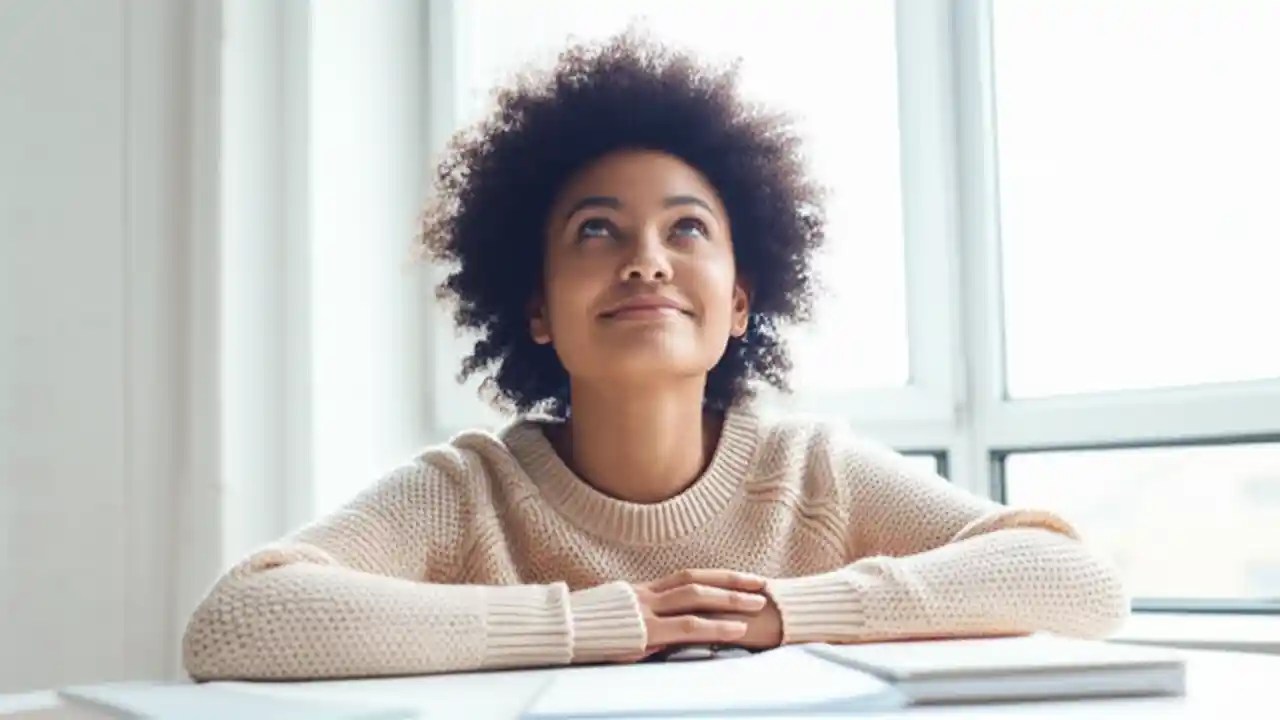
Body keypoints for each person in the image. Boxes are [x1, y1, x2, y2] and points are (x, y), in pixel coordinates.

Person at [182, 32, 1128, 681]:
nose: (644, 258)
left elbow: (1078, 582)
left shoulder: (813, 474)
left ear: (741, 301)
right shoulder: (467, 491)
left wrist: (785, 611)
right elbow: (236, 623)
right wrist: (597, 624)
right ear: (538, 309)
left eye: (686, 228)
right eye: (596, 231)